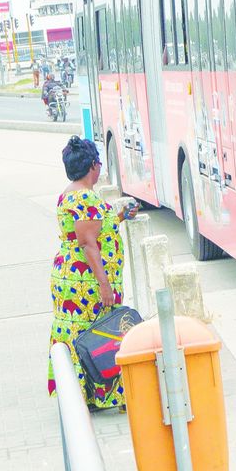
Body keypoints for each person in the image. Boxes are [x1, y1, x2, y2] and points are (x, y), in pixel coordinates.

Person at [47, 136, 139, 410]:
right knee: (100, 334)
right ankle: (105, 395)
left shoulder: (70, 193)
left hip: (71, 278)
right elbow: (88, 244)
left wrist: (120, 216)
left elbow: (94, 230)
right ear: (92, 167)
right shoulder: (85, 197)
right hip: (86, 281)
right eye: (98, 163)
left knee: (80, 334)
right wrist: (104, 285)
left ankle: (81, 394)